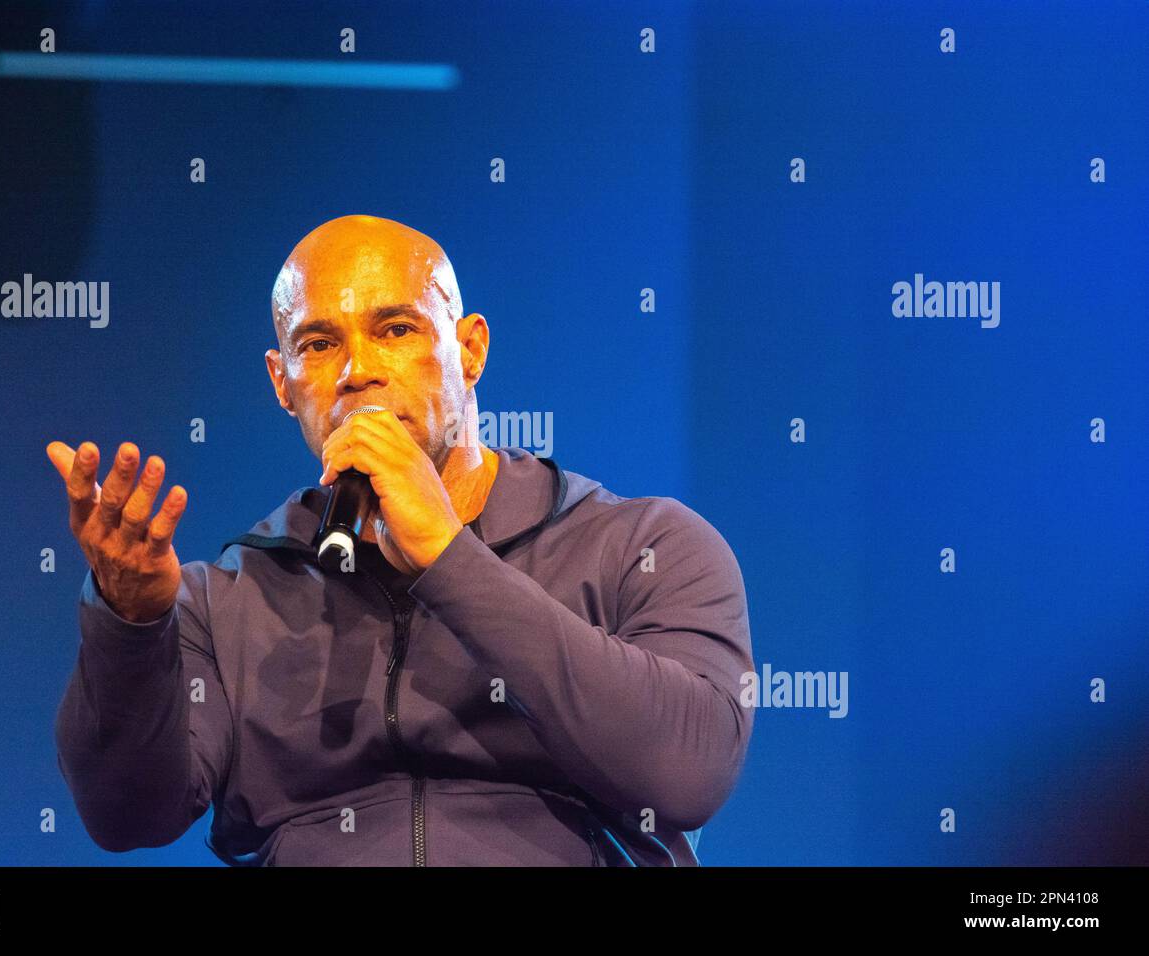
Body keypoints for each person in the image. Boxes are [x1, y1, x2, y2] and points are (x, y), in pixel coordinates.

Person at [46, 214, 754, 866]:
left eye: (395, 329)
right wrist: (130, 626)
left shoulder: (642, 546)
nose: (359, 371)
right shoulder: (224, 601)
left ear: (470, 349)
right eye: (319, 345)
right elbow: (127, 817)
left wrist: (449, 557)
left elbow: (687, 773)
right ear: (282, 382)